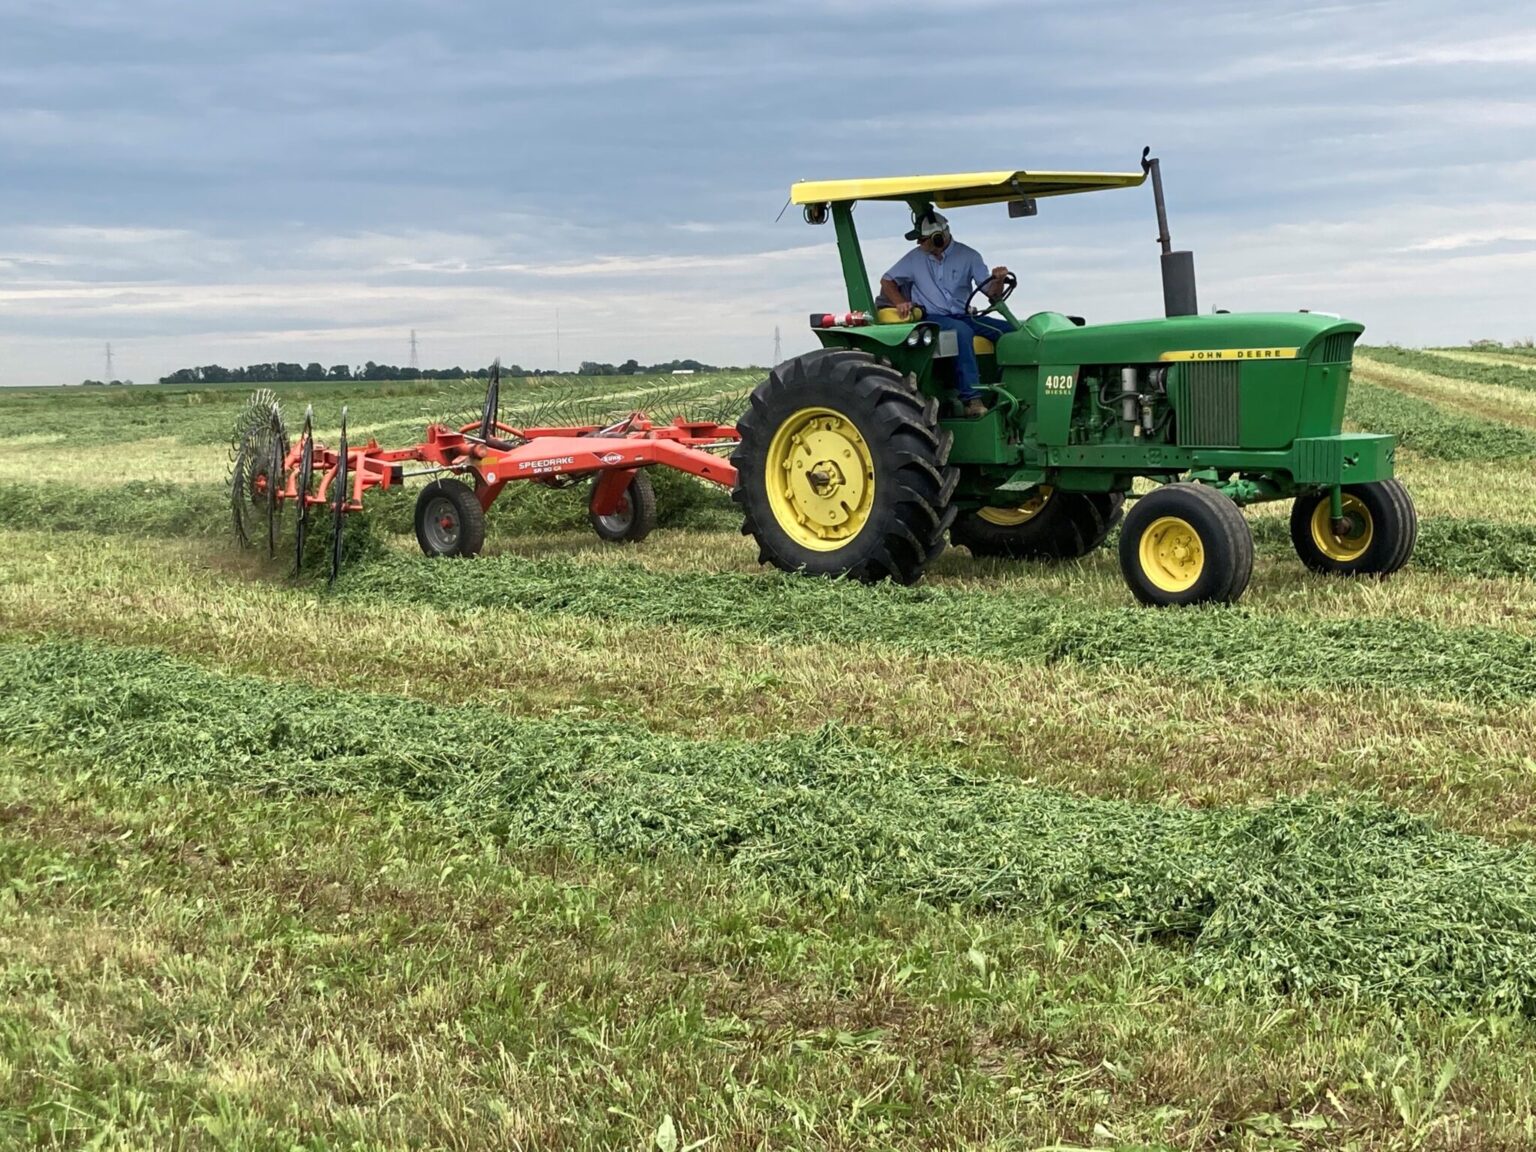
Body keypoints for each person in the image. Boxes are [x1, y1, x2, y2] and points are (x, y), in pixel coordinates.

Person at [880, 211, 1011, 416]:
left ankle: (1003, 392)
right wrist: (900, 302)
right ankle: (972, 400)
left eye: (922, 240)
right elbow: (887, 280)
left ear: (938, 238)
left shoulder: (969, 256)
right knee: (962, 332)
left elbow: (991, 293)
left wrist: (999, 280)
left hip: (963, 314)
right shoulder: (915, 259)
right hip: (932, 316)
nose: (919, 244)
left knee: (1009, 332)